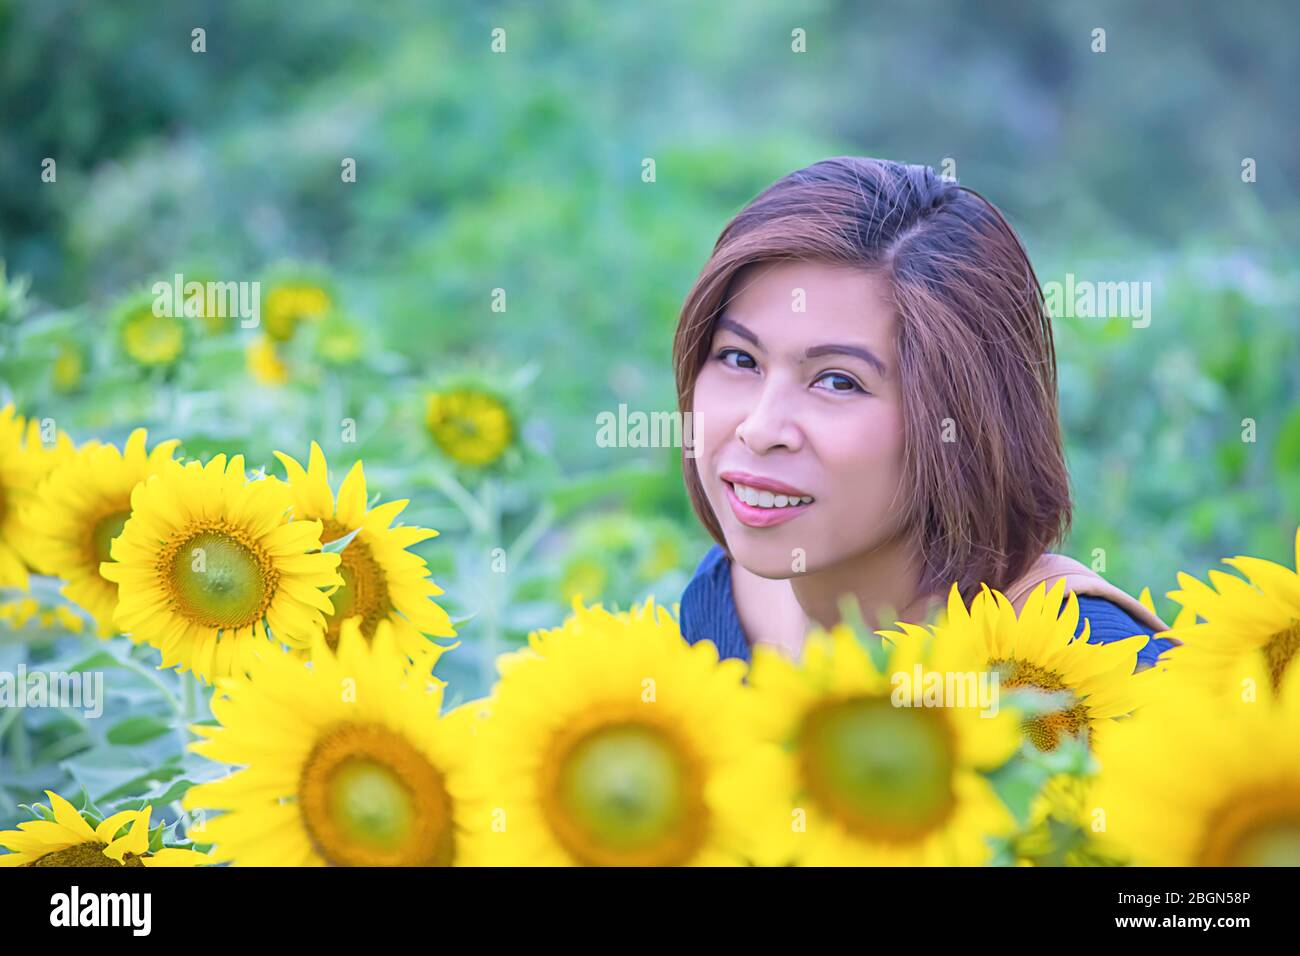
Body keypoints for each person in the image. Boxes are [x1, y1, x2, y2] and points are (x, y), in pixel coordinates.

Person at [673, 156, 1176, 669]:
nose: (759, 430)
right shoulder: (719, 609)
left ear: (963, 416)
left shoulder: (1092, 667)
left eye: (838, 381)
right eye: (740, 359)